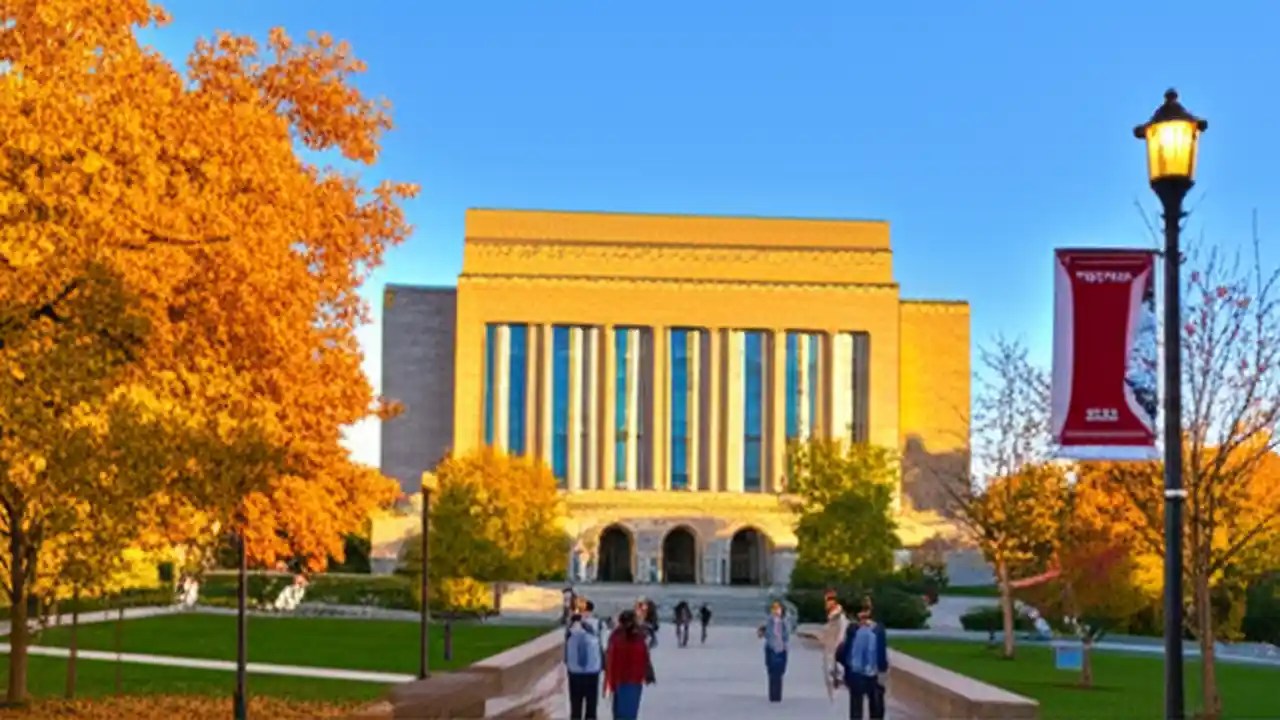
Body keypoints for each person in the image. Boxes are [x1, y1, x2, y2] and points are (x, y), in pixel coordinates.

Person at [836, 607, 887, 720]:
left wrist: (844, 666)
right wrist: (882, 670)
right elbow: (881, 652)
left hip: (856, 672)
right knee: (875, 704)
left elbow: (845, 651)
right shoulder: (878, 629)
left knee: (856, 705)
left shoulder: (853, 628)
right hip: (871, 672)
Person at [605, 609, 653, 720]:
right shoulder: (638, 637)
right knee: (630, 712)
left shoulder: (616, 637)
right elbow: (645, 658)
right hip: (634, 680)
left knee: (620, 713)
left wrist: (610, 682)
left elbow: (611, 659)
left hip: (619, 680)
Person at [564, 600, 604, 720]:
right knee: (578, 706)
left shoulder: (596, 624)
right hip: (578, 670)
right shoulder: (572, 625)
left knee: (587, 705)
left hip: (588, 669)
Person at [756, 600, 790, 703]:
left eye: (778, 608)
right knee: (771, 672)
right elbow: (763, 633)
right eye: (774, 608)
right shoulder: (769, 621)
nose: (776, 611)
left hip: (781, 648)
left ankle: (778, 694)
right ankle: (772, 694)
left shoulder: (784, 621)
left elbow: (787, 635)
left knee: (779, 672)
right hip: (771, 648)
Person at [821, 591, 849, 694]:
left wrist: (838, 644)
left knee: (834, 668)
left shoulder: (839, 616)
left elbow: (842, 631)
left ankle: (838, 680)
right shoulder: (832, 616)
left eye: (827, 601)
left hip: (835, 646)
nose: (826, 604)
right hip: (830, 647)